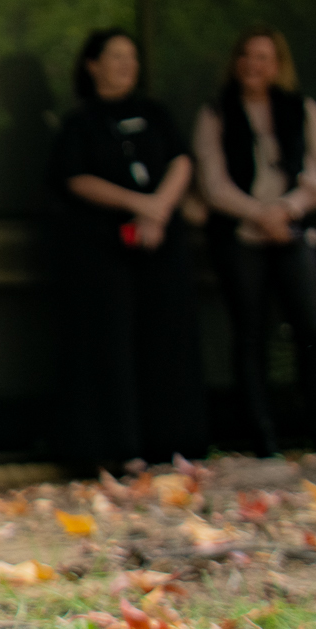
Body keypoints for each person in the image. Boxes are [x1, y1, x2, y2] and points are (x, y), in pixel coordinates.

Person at [48, 28, 207, 470]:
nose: (125, 65)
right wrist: (138, 204)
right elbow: (76, 178)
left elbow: (181, 161)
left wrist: (158, 210)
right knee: (113, 345)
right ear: (92, 64)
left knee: (167, 340)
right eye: (115, 56)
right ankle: (121, 447)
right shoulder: (79, 123)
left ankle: (173, 442)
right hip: (103, 252)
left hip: (161, 245)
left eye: (131, 57)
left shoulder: (155, 113)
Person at [193, 27, 316, 457]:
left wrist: (287, 210)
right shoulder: (216, 112)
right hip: (241, 236)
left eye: (263, 57)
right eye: (246, 55)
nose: (253, 65)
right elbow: (212, 183)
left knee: (311, 328)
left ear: (278, 65)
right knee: (250, 335)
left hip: (292, 231)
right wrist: (260, 214)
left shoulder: (302, 108)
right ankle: (263, 438)